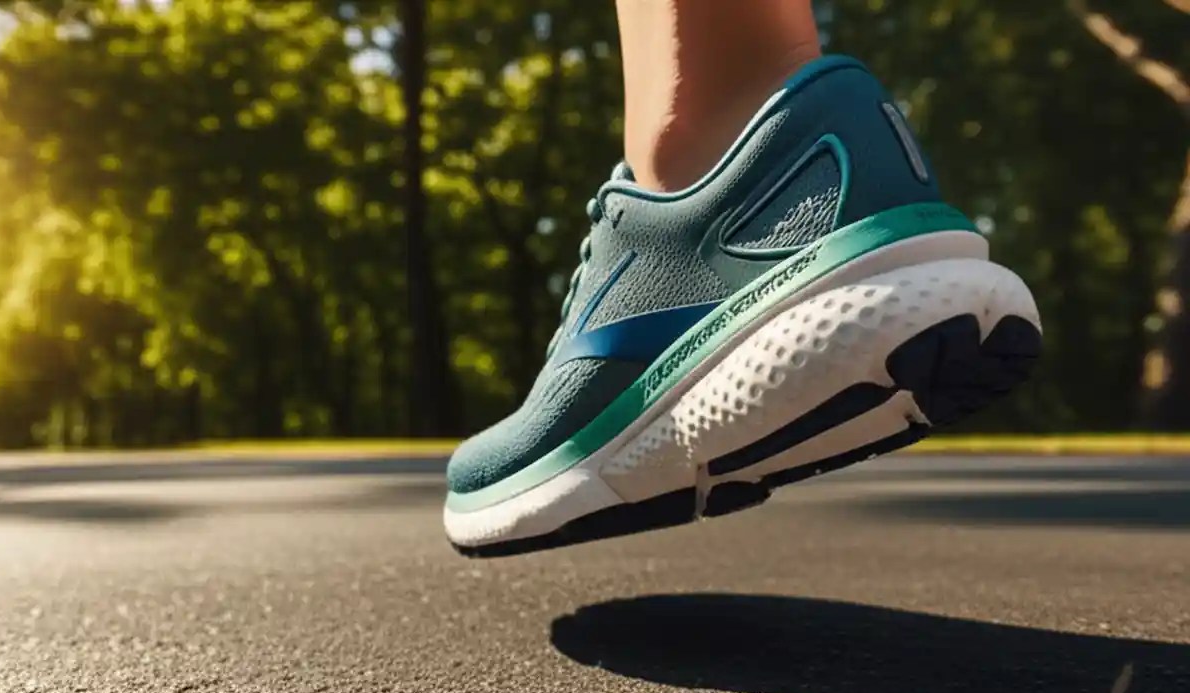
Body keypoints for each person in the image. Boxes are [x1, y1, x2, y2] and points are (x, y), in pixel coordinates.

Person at [444, 0, 1042, 556]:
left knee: (696, 127)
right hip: (832, 163)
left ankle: (694, 167)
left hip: (752, 198)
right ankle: (772, 141)